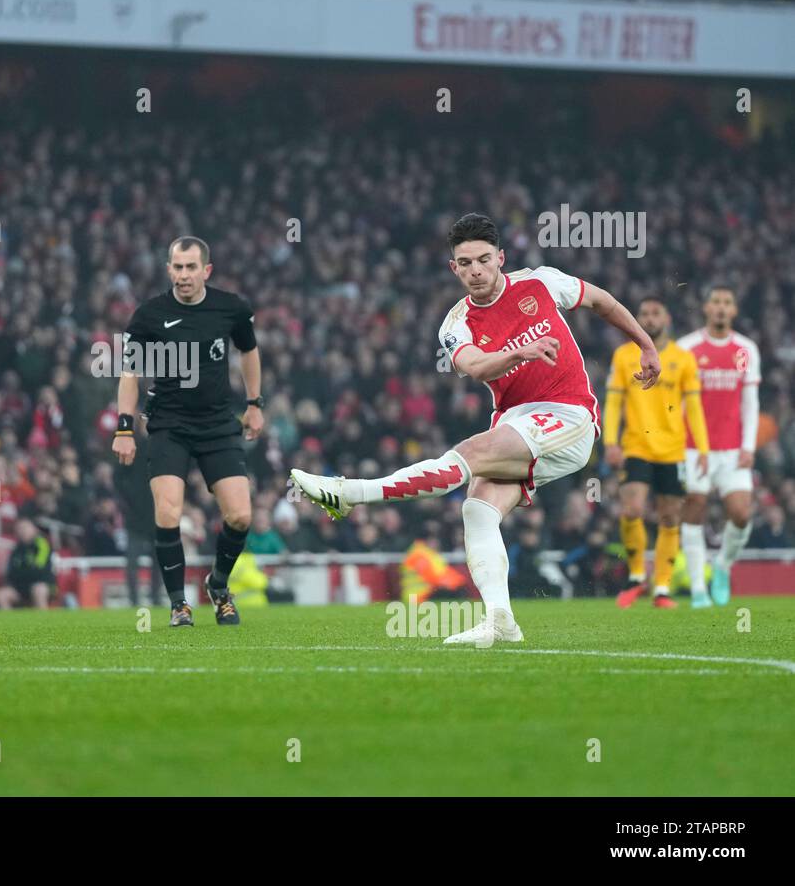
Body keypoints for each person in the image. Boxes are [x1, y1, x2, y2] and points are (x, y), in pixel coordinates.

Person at [292, 212, 661, 646]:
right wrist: (520, 352)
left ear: (501, 258)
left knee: (468, 453)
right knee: (478, 509)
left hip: (569, 416)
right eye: (465, 263)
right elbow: (473, 365)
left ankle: (353, 494)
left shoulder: (540, 283)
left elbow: (602, 302)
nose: (476, 271)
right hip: (518, 422)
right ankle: (500, 620)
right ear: (454, 268)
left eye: (484, 260)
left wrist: (646, 343)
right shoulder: (455, 324)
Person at [112, 236, 263, 628]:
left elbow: (249, 352)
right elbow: (129, 373)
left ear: (206, 271)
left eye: (191, 267)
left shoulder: (231, 308)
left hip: (217, 425)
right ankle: (179, 603)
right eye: (177, 267)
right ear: (168, 270)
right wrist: (124, 427)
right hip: (169, 425)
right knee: (168, 511)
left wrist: (254, 404)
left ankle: (219, 586)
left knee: (241, 516)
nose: (183, 275)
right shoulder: (148, 316)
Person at [605, 297, 710, 609]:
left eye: (655, 312)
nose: (649, 318)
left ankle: (661, 588)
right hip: (636, 446)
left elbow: (694, 407)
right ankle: (637, 577)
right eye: (644, 314)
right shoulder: (624, 356)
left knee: (669, 517)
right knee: (632, 509)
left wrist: (702, 448)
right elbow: (613, 402)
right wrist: (611, 441)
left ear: (667, 317)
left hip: (673, 450)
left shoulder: (684, 358)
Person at [677, 286, 761, 606]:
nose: (721, 308)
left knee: (740, 513)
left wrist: (748, 446)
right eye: (716, 302)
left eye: (728, 303)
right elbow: (679, 402)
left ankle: (723, 566)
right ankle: (699, 587)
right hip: (693, 448)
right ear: (706, 308)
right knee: (694, 507)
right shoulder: (687, 348)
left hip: (731, 449)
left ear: (734, 310)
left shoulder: (746, 350)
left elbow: (750, 403)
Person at [112, 428, 161, 606]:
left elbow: (117, 478)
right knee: (133, 561)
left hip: (156, 513)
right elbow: (117, 477)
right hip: (136, 516)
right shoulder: (133, 447)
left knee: (159, 560)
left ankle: (155, 598)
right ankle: (134, 600)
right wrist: (128, 500)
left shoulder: (163, 447)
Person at [0, 518, 56, 609]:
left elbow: (40, 571)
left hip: (43, 585)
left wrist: (23, 572)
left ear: (34, 529)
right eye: (19, 528)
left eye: (25, 527)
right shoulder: (17, 549)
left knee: (38, 590)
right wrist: (25, 572)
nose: (22, 531)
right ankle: (10, 623)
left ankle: (43, 622)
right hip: (21, 587)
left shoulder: (42, 545)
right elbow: (11, 573)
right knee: (0, 595)